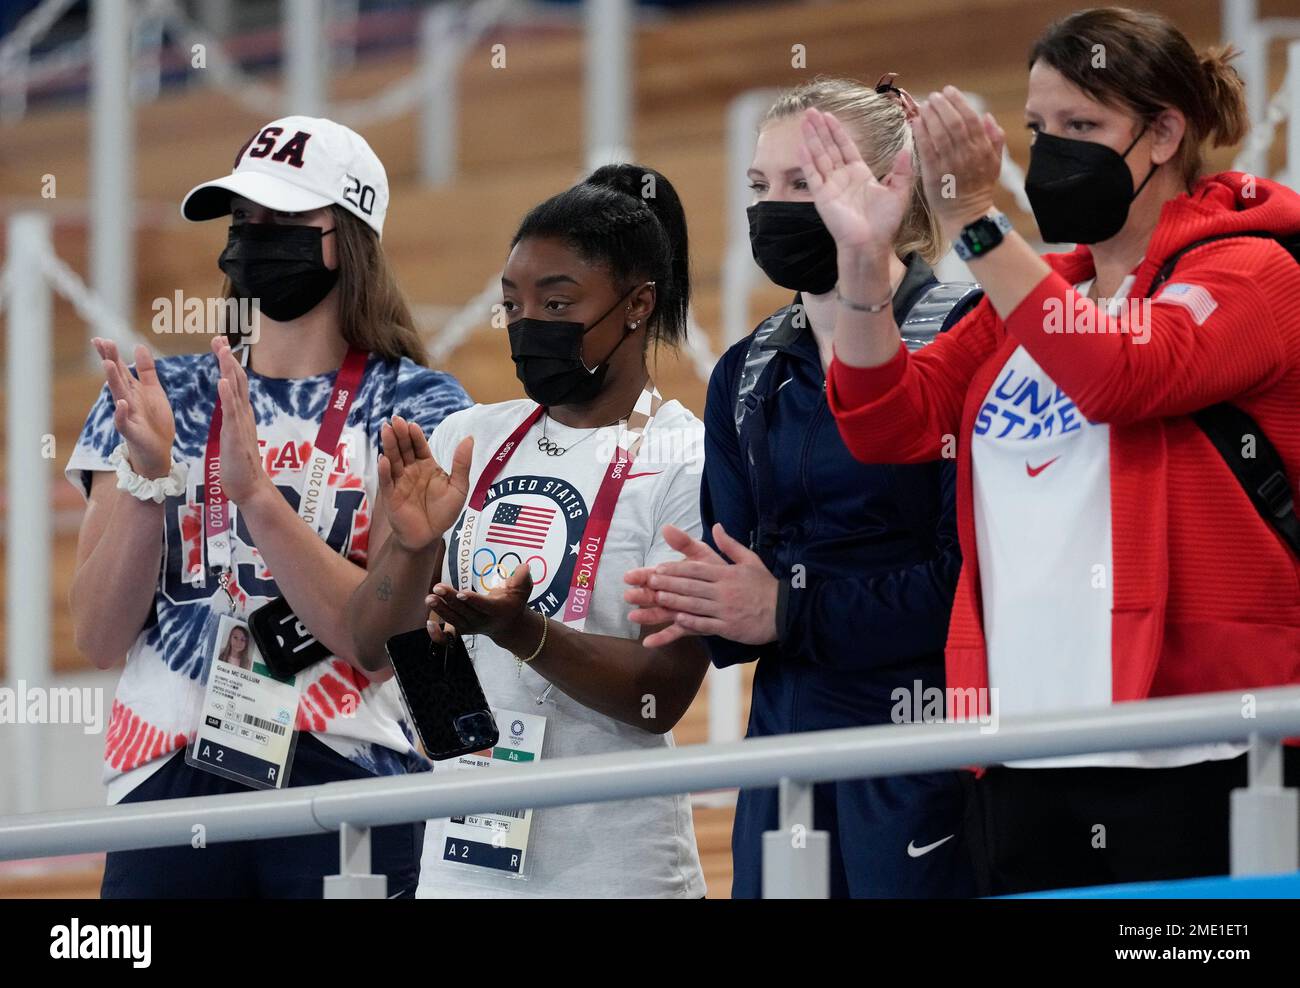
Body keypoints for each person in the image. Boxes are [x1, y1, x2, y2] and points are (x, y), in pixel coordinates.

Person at [820, 7, 1300, 894]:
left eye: (1083, 127)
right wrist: (861, 261)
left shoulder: (1254, 272)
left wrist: (974, 220)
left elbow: (1121, 372)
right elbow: (886, 424)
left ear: (1163, 133)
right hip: (1024, 746)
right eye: (1039, 129)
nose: (1052, 152)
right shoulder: (1030, 302)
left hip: (1210, 745)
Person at [66, 115, 471, 897]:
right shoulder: (161, 394)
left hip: (351, 770)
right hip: (163, 776)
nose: (254, 236)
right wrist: (150, 482)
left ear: (347, 235)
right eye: (243, 218)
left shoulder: (416, 401)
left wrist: (257, 499)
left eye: (283, 219)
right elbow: (96, 635)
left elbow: (379, 643)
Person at [624, 77, 980, 898]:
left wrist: (787, 609)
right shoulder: (745, 371)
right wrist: (696, 601)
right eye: (760, 187)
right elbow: (741, 595)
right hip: (784, 750)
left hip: (924, 743)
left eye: (804, 183)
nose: (773, 207)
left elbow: (970, 586)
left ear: (888, 185)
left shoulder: (965, 334)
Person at [349, 163, 709, 898]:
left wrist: (524, 633)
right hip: (464, 858)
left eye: (557, 301)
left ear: (637, 304)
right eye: (512, 303)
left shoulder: (687, 457)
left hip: (616, 866)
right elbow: (366, 646)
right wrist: (412, 548)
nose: (527, 324)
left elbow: (663, 694)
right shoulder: (465, 438)